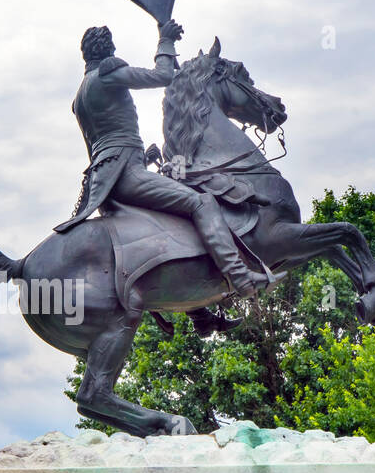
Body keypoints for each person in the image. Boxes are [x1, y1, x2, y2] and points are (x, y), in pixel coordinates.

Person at [56, 21, 268, 325]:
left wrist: (140, 157)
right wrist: (165, 41)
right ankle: (240, 276)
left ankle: (200, 313)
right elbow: (164, 76)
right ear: (110, 50)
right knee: (201, 203)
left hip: (107, 182)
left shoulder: (79, 98)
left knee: (170, 223)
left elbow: (99, 149)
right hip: (127, 174)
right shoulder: (108, 74)